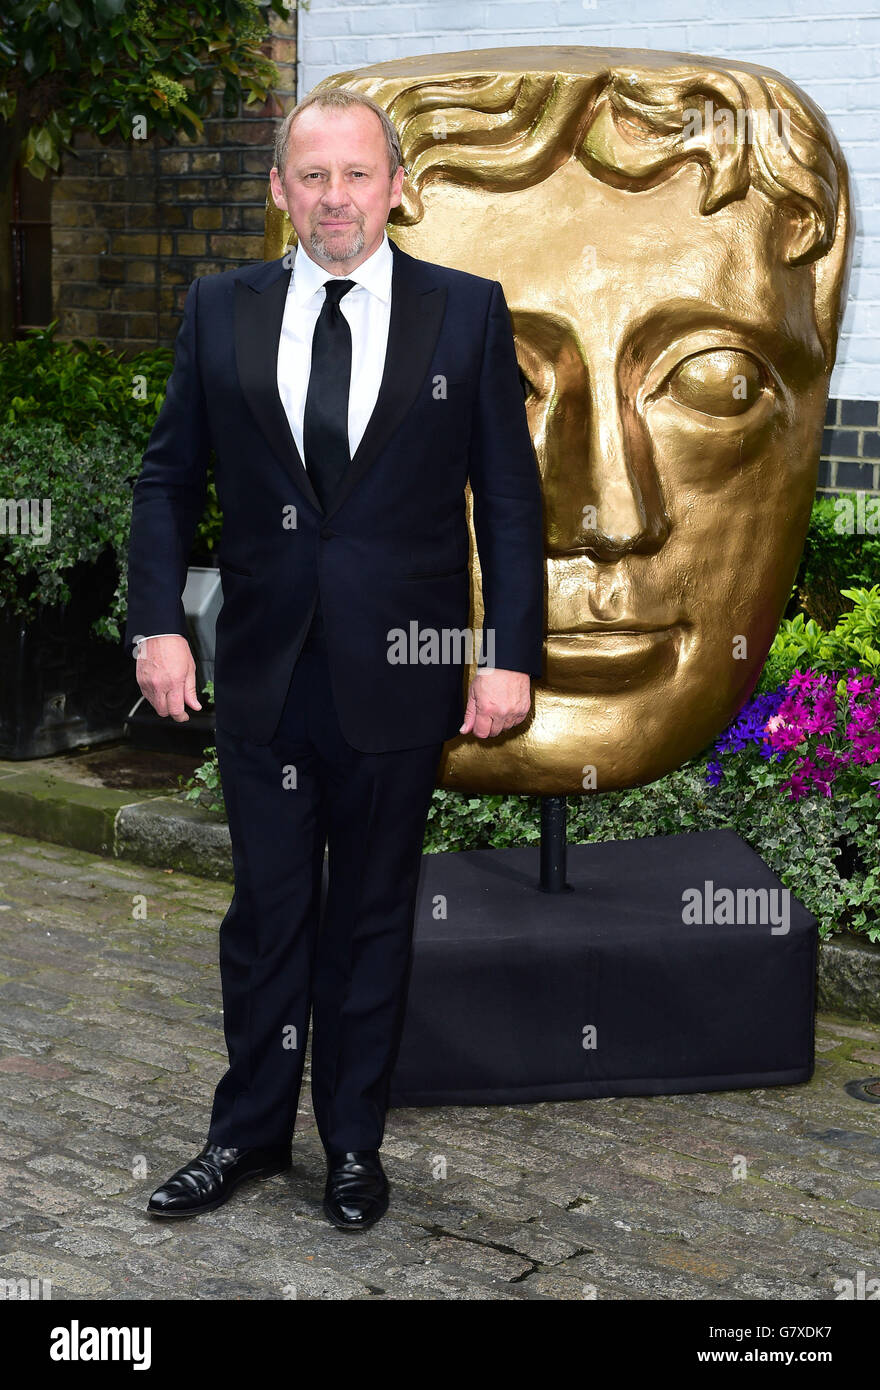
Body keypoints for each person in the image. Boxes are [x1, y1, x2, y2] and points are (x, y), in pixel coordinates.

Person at [124, 88, 544, 1231]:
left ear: (399, 185)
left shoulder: (465, 315)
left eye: (358, 174)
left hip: (403, 674)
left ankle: (353, 1144)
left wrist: (507, 653)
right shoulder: (220, 310)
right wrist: (156, 622)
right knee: (265, 916)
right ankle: (246, 1134)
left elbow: (507, 501)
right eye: (313, 177)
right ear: (279, 191)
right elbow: (167, 480)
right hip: (262, 672)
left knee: (369, 917)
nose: (336, 199)